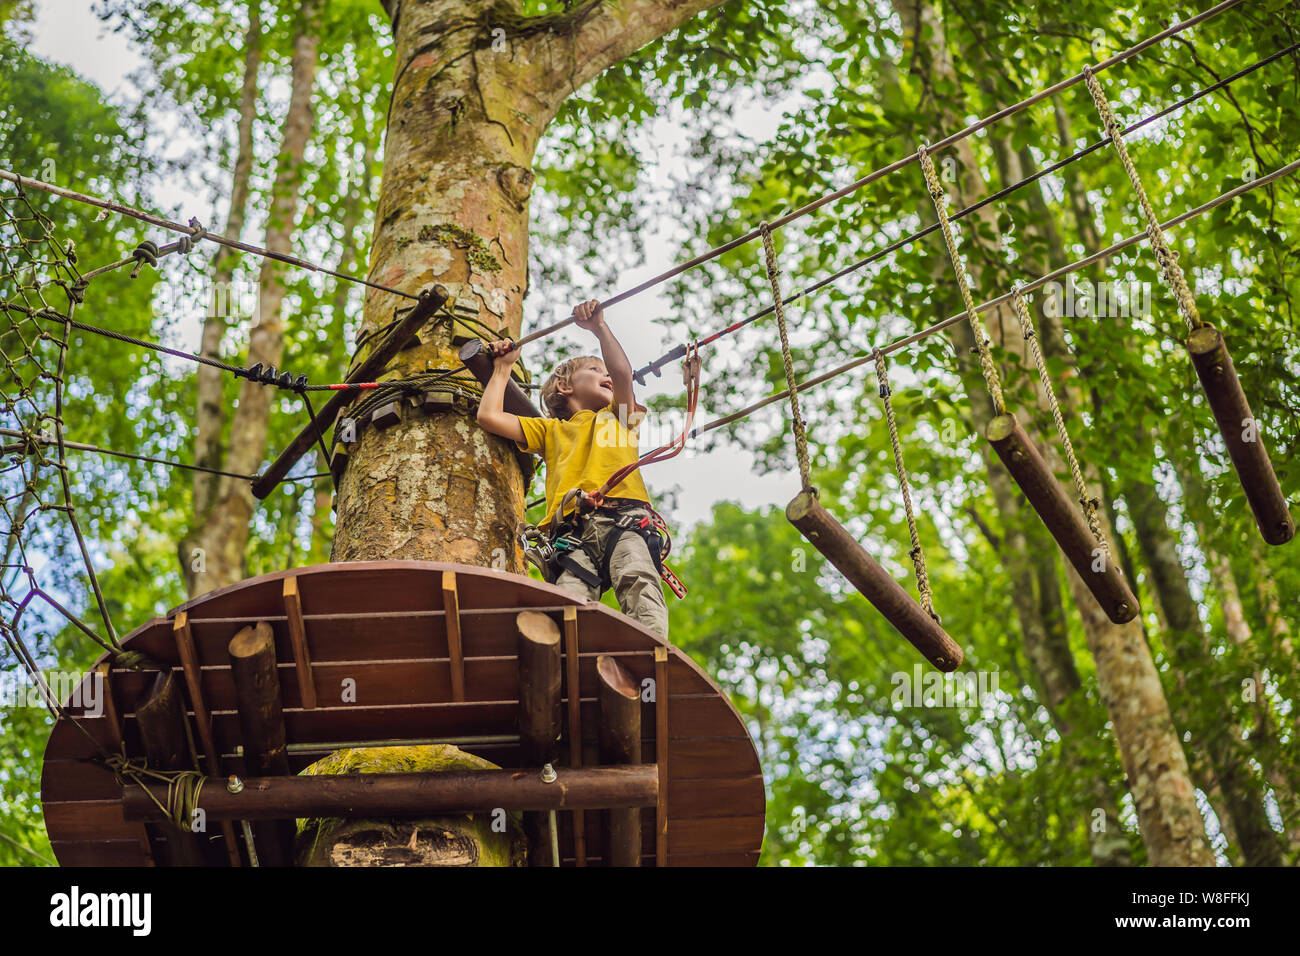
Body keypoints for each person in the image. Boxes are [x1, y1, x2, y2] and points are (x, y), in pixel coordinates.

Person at [476, 300, 671, 638]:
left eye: (605, 371)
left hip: (623, 519)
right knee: (570, 595)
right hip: (571, 532)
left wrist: (599, 328)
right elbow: (489, 417)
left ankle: (651, 649)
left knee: (638, 577)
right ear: (565, 387)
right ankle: (566, 656)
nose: (606, 376)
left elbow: (623, 373)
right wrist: (502, 369)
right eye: (596, 370)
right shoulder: (551, 431)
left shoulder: (620, 417)